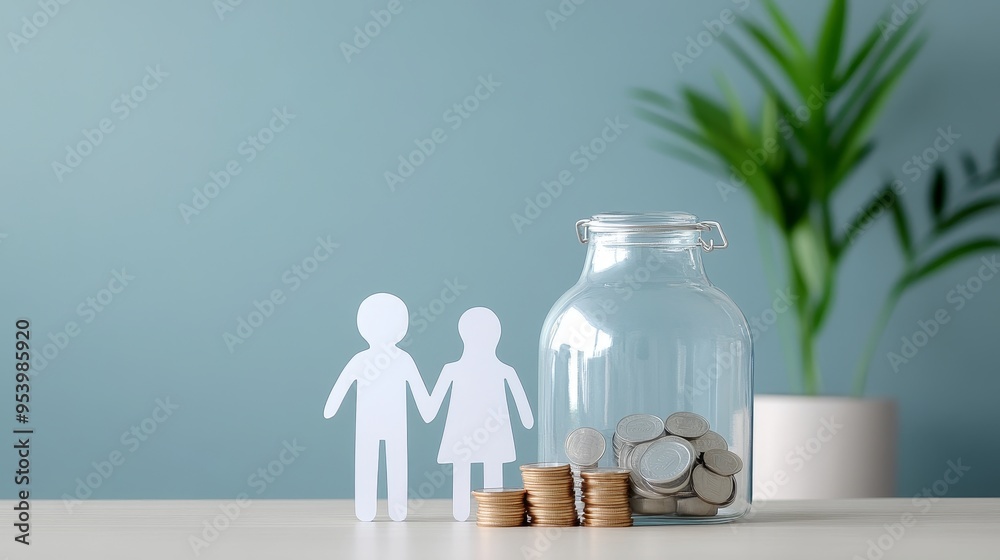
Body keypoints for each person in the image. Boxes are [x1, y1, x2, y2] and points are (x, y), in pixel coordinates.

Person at [324, 293, 433, 522]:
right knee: (394, 464)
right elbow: (424, 403)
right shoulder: (403, 359)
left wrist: (331, 408)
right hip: (391, 426)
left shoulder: (362, 359)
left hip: (371, 426)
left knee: (369, 463)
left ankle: (375, 510)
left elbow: (337, 395)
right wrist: (430, 408)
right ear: (402, 328)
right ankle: (394, 511)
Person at [427, 307, 534, 521]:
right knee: (487, 466)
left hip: (468, 434)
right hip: (492, 432)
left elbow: (430, 410)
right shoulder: (503, 370)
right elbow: (526, 415)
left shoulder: (452, 370)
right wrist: (526, 419)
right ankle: (489, 514)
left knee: (465, 467)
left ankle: (470, 513)